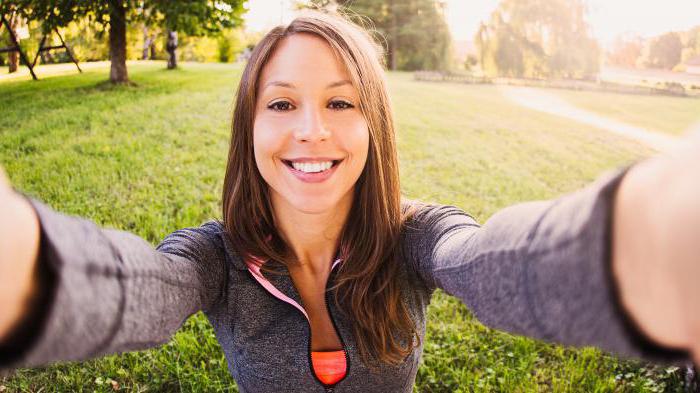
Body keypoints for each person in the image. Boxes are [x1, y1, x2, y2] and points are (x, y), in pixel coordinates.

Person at [0, 10, 698, 393]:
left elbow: (492, 261)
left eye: (341, 101)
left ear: (375, 126)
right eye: (281, 103)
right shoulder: (213, 257)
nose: (312, 129)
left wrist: (639, 243)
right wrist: (25, 266)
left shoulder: (416, 235)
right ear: (251, 127)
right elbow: (141, 288)